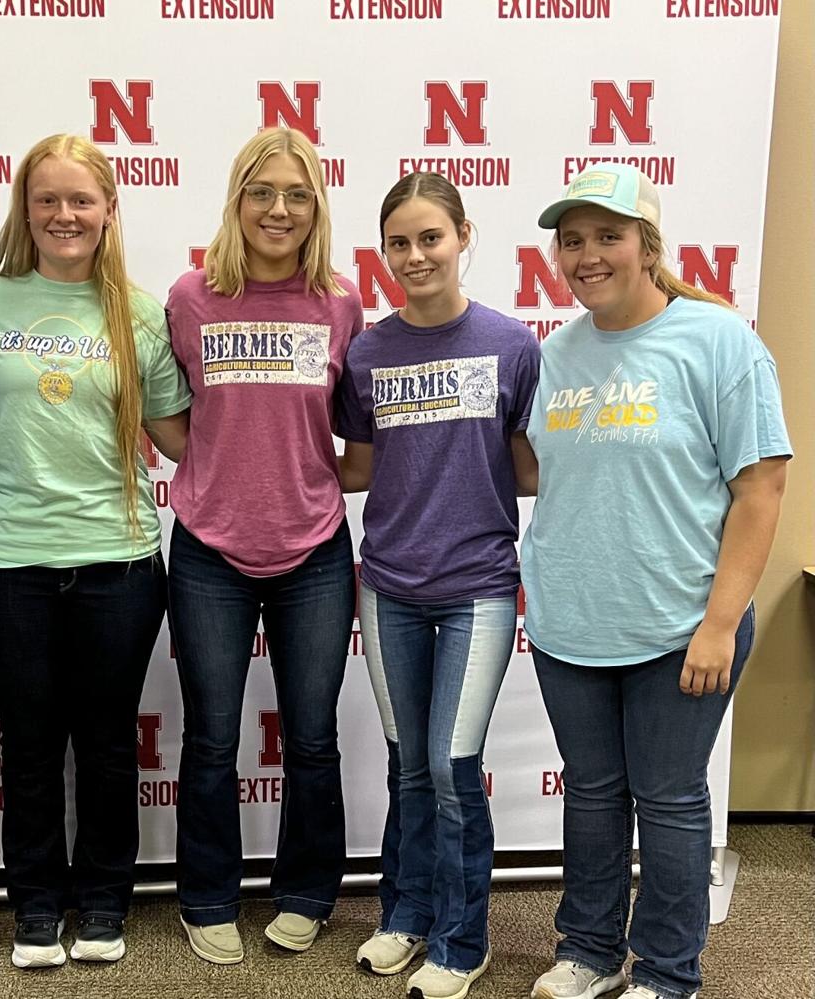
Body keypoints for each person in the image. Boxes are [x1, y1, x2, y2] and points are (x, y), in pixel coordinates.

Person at [523, 164, 790, 999]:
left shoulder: (717, 340)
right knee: (593, 798)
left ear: (647, 243)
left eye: (608, 235)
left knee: (671, 801)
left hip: (683, 621)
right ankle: (590, 951)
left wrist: (720, 621)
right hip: (572, 622)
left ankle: (670, 973)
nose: (588, 254)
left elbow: (762, 485)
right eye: (573, 240)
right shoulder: (556, 353)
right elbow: (543, 473)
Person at [0, 133, 190, 970]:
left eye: (81, 200)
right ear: (26, 207)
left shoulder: (140, 310)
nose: (64, 214)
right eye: (47, 199)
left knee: (105, 741)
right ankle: (34, 906)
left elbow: (177, 434)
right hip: (12, 556)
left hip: (117, 559)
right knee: (27, 741)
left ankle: (102, 903)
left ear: (108, 210)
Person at [337, 172, 539, 999]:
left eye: (431, 237)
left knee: (453, 764)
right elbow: (358, 465)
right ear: (383, 252)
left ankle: (463, 938)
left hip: (478, 588)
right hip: (386, 584)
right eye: (399, 242)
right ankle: (406, 914)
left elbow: (529, 468)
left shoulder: (514, 344)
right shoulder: (367, 352)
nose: (415, 255)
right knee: (407, 764)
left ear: (463, 237)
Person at [165, 127, 364, 965]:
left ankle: (308, 891)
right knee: (212, 733)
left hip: (315, 546)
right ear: (236, 200)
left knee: (312, 732)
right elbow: (173, 422)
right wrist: (219, 472)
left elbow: (357, 437)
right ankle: (207, 895)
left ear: (315, 205)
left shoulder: (341, 303)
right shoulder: (190, 296)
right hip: (209, 547)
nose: (278, 209)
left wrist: (307, 477)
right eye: (261, 191)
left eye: (296, 194)